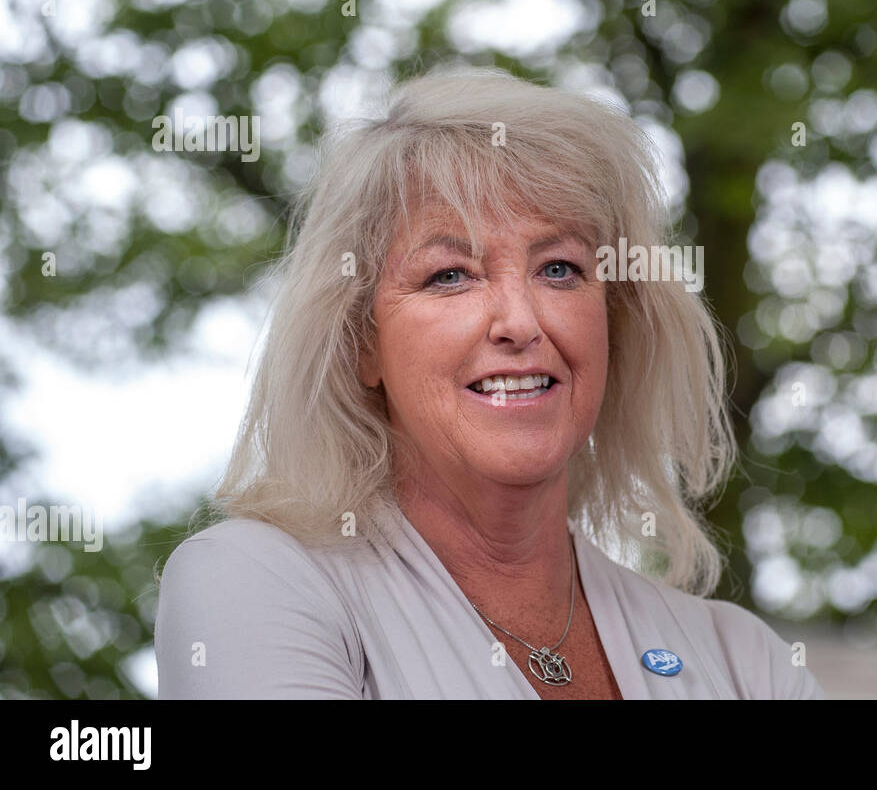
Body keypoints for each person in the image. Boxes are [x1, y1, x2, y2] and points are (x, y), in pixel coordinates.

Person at [153, 66, 827, 699]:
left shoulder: (747, 663)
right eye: (449, 274)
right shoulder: (252, 582)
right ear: (363, 345)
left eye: (559, 269)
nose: (519, 320)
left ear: (613, 325)